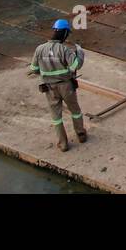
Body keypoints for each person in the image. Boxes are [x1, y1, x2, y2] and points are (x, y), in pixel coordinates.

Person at [28, 18, 87, 152]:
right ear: (65, 33)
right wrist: (80, 54)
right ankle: (81, 135)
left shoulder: (39, 49)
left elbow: (34, 69)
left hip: (49, 88)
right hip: (66, 86)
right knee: (75, 111)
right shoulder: (64, 50)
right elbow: (76, 65)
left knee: (56, 116)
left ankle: (63, 144)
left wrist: (46, 72)